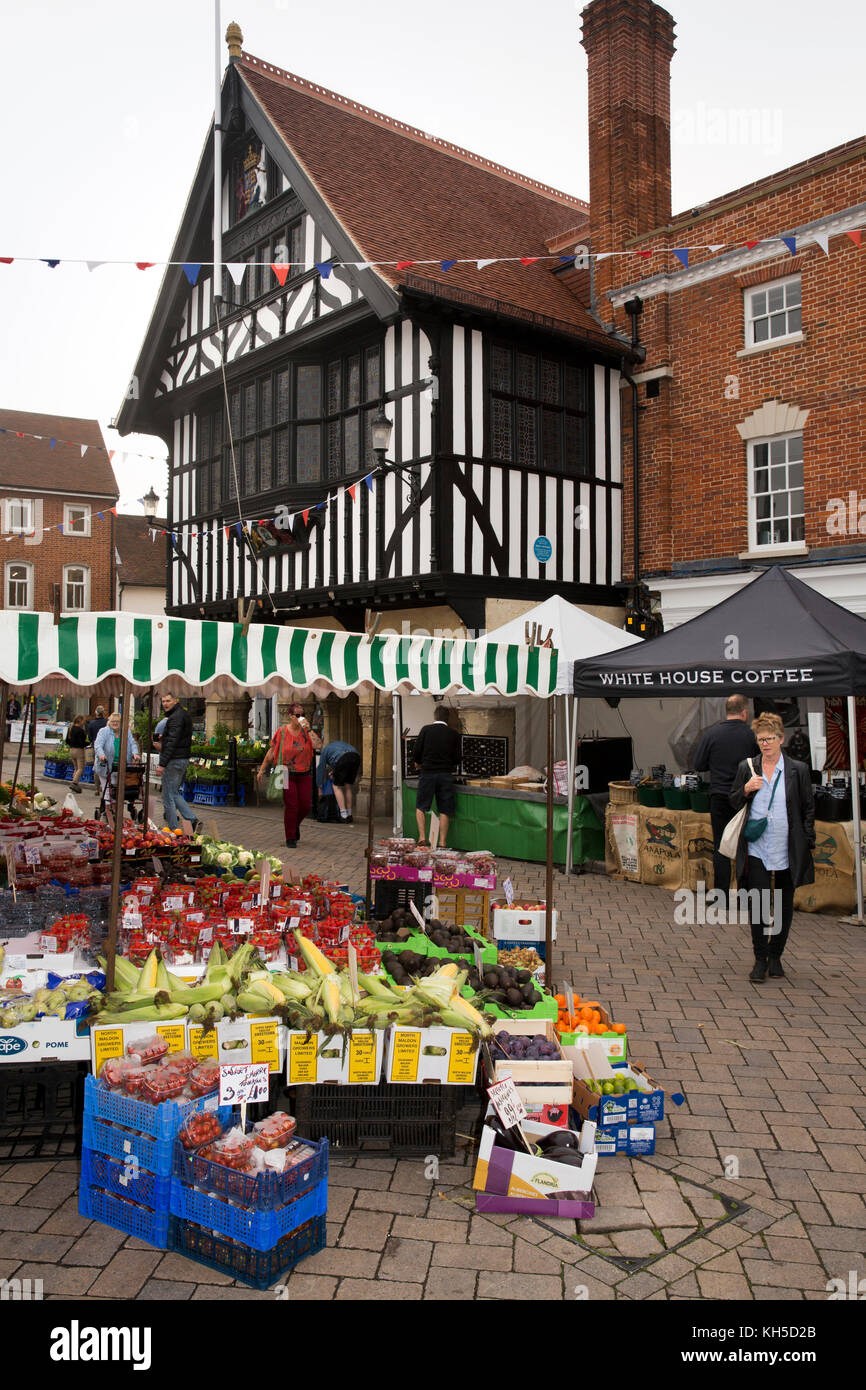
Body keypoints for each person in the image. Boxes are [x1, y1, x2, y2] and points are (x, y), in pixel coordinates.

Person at [729, 712, 815, 983]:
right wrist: (745, 789)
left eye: (770, 739)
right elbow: (731, 801)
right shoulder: (748, 767)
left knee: (784, 904)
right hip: (756, 847)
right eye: (761, 739)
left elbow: (808, 808)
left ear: (781, 739)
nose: (765, 744)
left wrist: (808, 841)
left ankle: (776, 955)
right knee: (759, 903)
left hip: (786, 847)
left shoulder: (797, 770)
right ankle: (760, 959)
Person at [694, 694, 760, 910]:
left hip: (719, 796)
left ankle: (720, 895)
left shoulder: (711, 733)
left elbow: (699, 764)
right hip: (745, 796)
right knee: (745, 845)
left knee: (721, 845)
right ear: (744, 712)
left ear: (726, 711)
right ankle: (745, 895)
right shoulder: (752, 735)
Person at [257, 703, 321, 847]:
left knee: (305, 806)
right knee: (292, 806)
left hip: (304, 773)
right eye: (297, 715)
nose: (300, 718)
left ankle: (294, 826)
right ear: (290, 716)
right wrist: (262, 770)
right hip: (285, 773)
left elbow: (318, 745)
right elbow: (272, 752)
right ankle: (290, 837)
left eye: (302, 715)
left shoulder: (306, 732)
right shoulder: (282, 732)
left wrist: (309, 729)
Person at [413, 706, 461, 848]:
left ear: (435, 716)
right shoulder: (454, 734)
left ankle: (422, 837)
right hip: (445, 774)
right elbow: (458, 758)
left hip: (427, 772)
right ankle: (442, 842)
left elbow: (416, 751)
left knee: (421, 806)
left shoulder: (426, 730)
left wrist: (419, 763)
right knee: (445, 809)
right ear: (448, 718)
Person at [155, 691, 198, 835]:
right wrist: (165, 736)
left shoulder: (175, 718)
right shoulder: (181, 714)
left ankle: (173, 828)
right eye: (163, 701)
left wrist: (162, 764)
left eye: (168, 701)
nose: (165, 704)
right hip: (182, 758)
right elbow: (177, 737)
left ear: (175, 700)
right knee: (173, 793)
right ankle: (190, 818)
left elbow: (172, 742)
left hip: (174, 760)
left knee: (168, 796)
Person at [93, 713, 140, 826]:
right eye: (113, 721)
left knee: (116, 789)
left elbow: (133, 744)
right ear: (109, 722)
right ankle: (110, 811)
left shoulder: (126, 732)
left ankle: (114, 810)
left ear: (121, 723)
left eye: (117, 722)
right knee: (108, 788)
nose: (115, 723)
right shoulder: (103, 731)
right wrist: (101, 754)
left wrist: (135, 754)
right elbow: (98, 745)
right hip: (106, 765)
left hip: (121, 765)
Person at [317, 739, 360, 823]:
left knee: (336, 786)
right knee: (347, 785)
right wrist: (334, 772)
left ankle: (343, 815)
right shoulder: (337, 745)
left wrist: (320, 786)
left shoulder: (325, 750)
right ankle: (349, 814)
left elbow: (320, 769)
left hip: (342, 759)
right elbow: (342, 763)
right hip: (355, 757)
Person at [67, 715, 88, 788]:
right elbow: (81, 742)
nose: (84, 722)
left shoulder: (70, 729)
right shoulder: (80, 731)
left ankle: (74, 783)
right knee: (81, 768)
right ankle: (74, 783)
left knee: (76, 768)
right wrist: (88, 743)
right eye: (83, 720)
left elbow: (67, 740)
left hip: (72, 749)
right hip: (79, 750)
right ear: (80, 721)